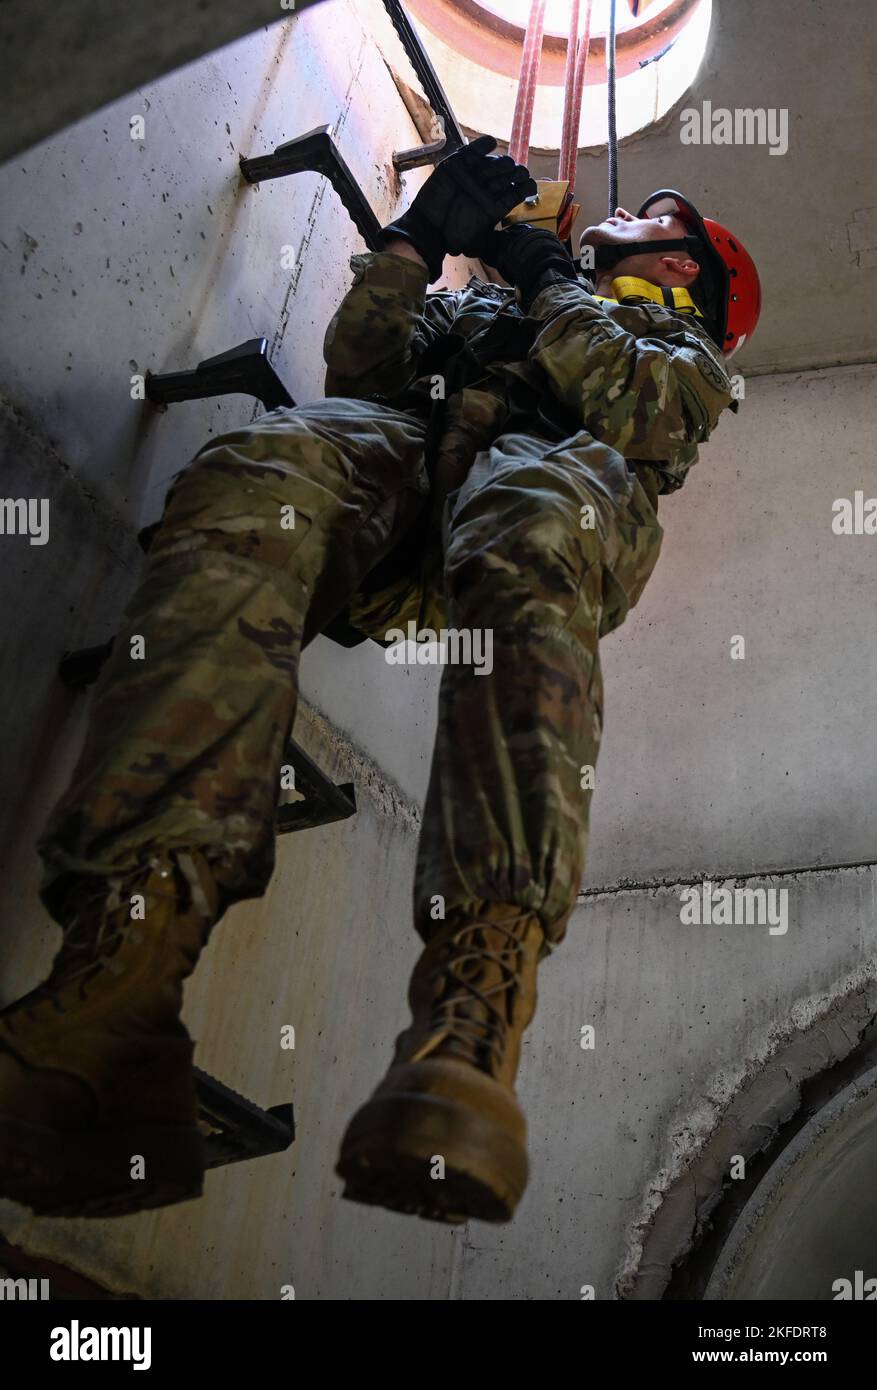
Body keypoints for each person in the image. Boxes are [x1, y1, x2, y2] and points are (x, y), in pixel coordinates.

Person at [0, 136, 760, 1224]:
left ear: (684, 264)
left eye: (655, 210)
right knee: (265, 468)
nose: (624, 210)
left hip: (554, 484)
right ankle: (121, 984)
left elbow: (639, 411)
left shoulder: (678, 341)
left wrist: (541, 270)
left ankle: (468, 1028)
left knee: (534, 515)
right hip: (407, 465)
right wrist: (415, 241)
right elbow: (359, 368)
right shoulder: (488, 309)